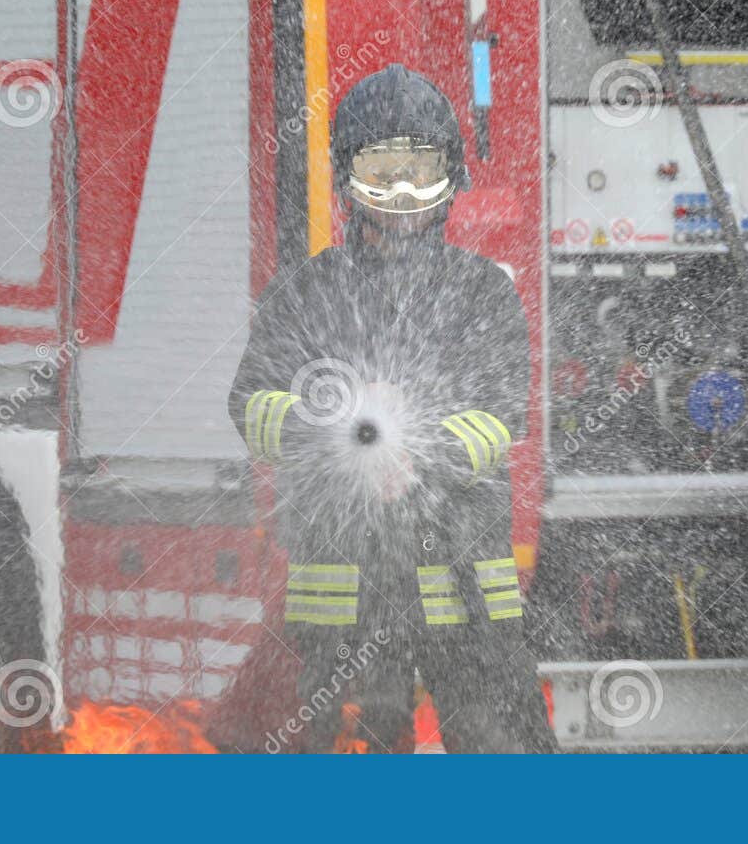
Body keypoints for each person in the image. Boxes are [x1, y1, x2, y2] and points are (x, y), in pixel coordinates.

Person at [228, 63, 554, 753]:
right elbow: (251, 407)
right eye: (382, 172)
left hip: (464, 596)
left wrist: (414, 444)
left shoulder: (483, 295)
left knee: (506, 760)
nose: (402, 192)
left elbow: (497, 419)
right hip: (340, 603)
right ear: (349, 180)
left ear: (450, 181)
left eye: (419, 170)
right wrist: (336, 431)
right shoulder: (304, 294)